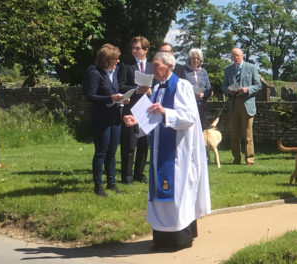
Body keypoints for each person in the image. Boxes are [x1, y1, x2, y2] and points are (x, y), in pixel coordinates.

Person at [123, 51, 211, 252]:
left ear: (169, 66)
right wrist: (136, 121)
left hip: (178, 151)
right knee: (158, 192)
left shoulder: (182, 86)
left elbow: (189, 117)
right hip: (158, 149)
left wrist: (166, 112)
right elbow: (151, 117)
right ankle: (161, 238)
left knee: (178, 190)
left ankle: (179, 239)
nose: (153, 70)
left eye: (156, 66)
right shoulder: (155, 88)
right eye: (153, 66)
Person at [83, 43, 127, 197]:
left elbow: (115, 91)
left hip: (115, 117)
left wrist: (121, 99)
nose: (118, 61)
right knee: (101, 152)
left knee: (112, 152)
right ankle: (98, 185)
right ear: (107, 60)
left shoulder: (113, 73)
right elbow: (90, 96)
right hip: (101, 118)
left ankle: (111, 182)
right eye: (115, 59)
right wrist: (110, 98)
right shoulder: (94, 73)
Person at [120, 36, 152, 185]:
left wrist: (150, 90)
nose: (134, 50)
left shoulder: (152, 67)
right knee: (129, 144)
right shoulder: (126, 66)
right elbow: (121, 86)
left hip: (147, 109)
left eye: (137, 48)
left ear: (146, 50)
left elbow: (158, 85)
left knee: (144, 144)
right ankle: (127, 176)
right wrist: (136, 89)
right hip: (131, 107)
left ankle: (140, 173)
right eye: (133, 48)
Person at [222, 47, 262, 165]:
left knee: (247, 134)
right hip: (234, 103)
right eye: (233, 56)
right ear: (231, 57)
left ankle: (249, 159)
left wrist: (247, 89)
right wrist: (229, 91)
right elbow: (223, 86)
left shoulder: (251, 67)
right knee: (234, 134)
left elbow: (258, 85)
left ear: (242, 56)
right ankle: (236, 159)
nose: (236, 58)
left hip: (247, 103)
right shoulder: (228, 70)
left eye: (238, 55)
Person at [180, 47, 213, 120]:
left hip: (201, 105)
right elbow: (180, 87)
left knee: (200, 127)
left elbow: (209, 88)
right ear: (190, 59)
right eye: (193, 58)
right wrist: (192, 94)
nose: (195, 60)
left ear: (200, 60)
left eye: (197, 58)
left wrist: (203, 94)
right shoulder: (183, 70)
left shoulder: (204, 72)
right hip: (187, 105)